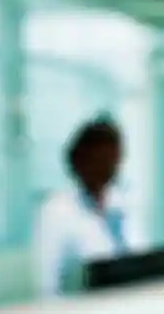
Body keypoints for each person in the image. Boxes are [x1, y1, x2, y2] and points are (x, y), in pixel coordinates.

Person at [33, 117, 145, 299]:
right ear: (80, 162)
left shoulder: (122, 203)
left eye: (114, 159)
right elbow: (47, 286)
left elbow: (142, 261)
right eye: (100, 159)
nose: (111, 167)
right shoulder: (55, 211)